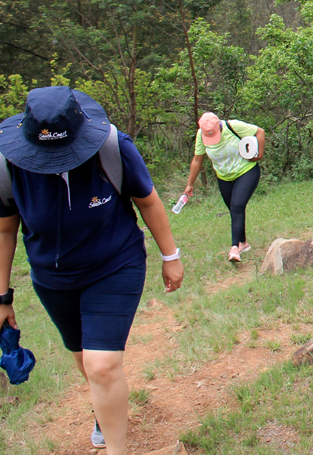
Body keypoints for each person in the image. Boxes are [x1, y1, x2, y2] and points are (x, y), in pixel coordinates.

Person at [0, 87, 183, 454]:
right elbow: (5, 229)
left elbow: (148, 201)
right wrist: (2, 297)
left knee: (101, 364)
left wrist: (170, 256)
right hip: (53, 279)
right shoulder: (8, 166)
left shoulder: (112, 147)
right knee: (84, 355)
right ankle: (105, 407)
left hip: (115, 264)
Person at [183, 112, 265, 263]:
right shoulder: (201, 135)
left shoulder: (233, 126)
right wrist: (190, 184)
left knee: (237, 206)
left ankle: (234, 248)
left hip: (246, 170)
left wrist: (258, 154)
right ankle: (243, 243)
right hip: (224, 176)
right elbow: (197, 160)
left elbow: (260, 131)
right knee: (234, 209)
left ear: (219, 126)